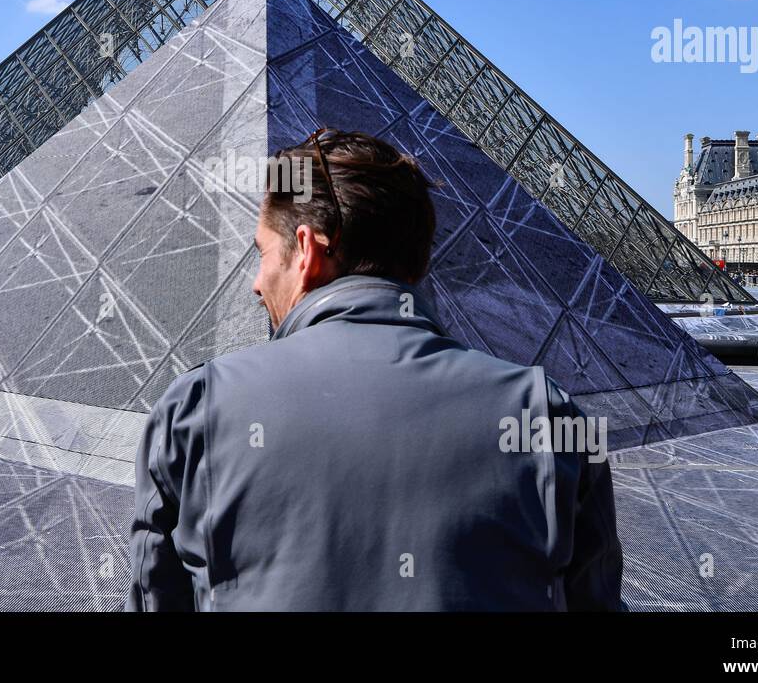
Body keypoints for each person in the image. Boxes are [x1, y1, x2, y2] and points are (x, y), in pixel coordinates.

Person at [127, 129, 625, 611]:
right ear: (414, 260)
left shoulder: (193, 412)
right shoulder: (548, 415)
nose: (257, 283)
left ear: (307, 250)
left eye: (262, 254)